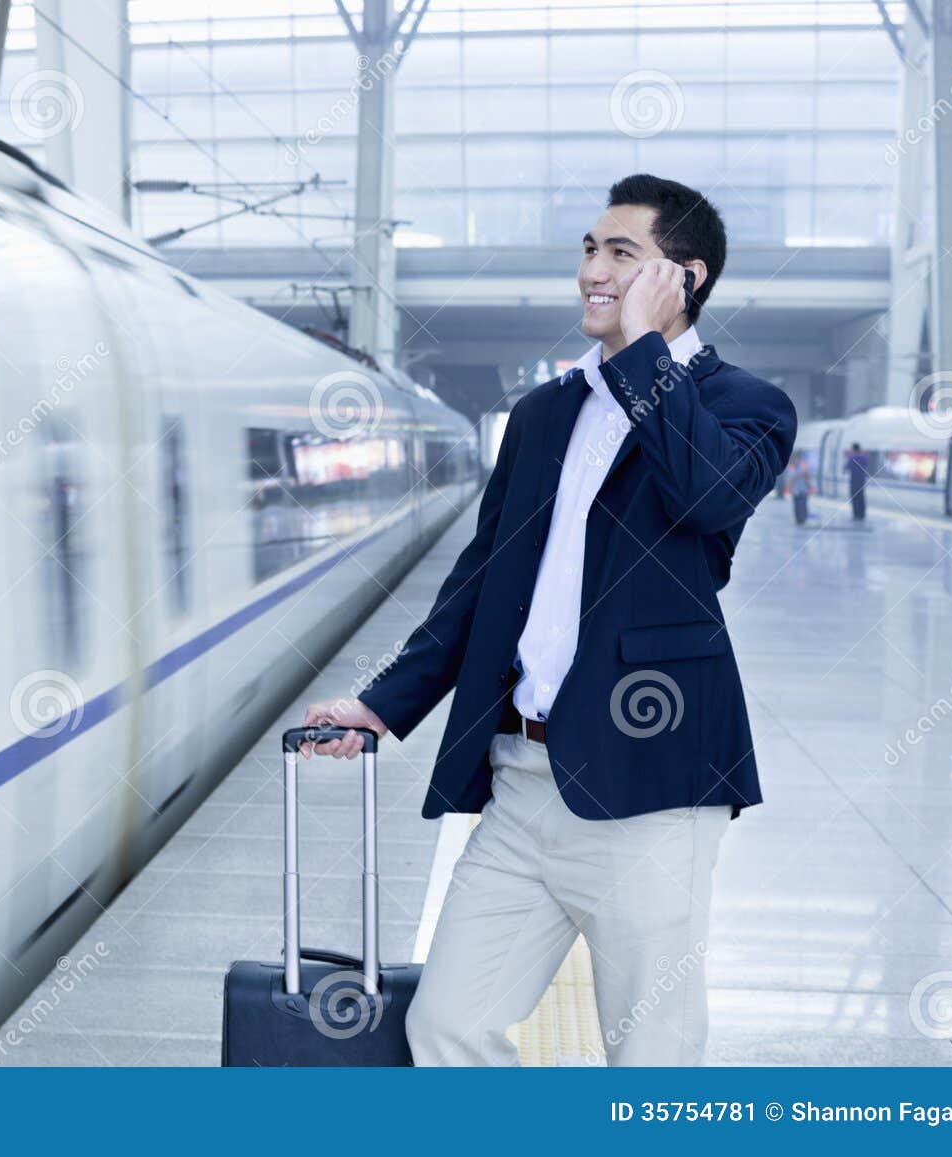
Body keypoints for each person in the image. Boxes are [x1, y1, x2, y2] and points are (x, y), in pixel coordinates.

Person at [299, 174, 798, 1067]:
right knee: (446, 1022)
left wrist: (646, 351)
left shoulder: (744, 406)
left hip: (655, 789)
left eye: (621, 254)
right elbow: (482, 579)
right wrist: (383, 705)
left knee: (652, 1053)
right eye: (588, 249)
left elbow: (709, 495)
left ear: (684, 278)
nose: (592, 272)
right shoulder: (541, 415)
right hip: (522, 779)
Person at [845, 442, 868, 521]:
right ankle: (862, 514)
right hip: (861, 481)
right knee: (861, 498)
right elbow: (866, 466)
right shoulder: (864, 457)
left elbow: (847, 467)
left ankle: (856, 514)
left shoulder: (852, 458)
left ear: (853, 449)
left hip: (854, 481)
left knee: (855, 498)